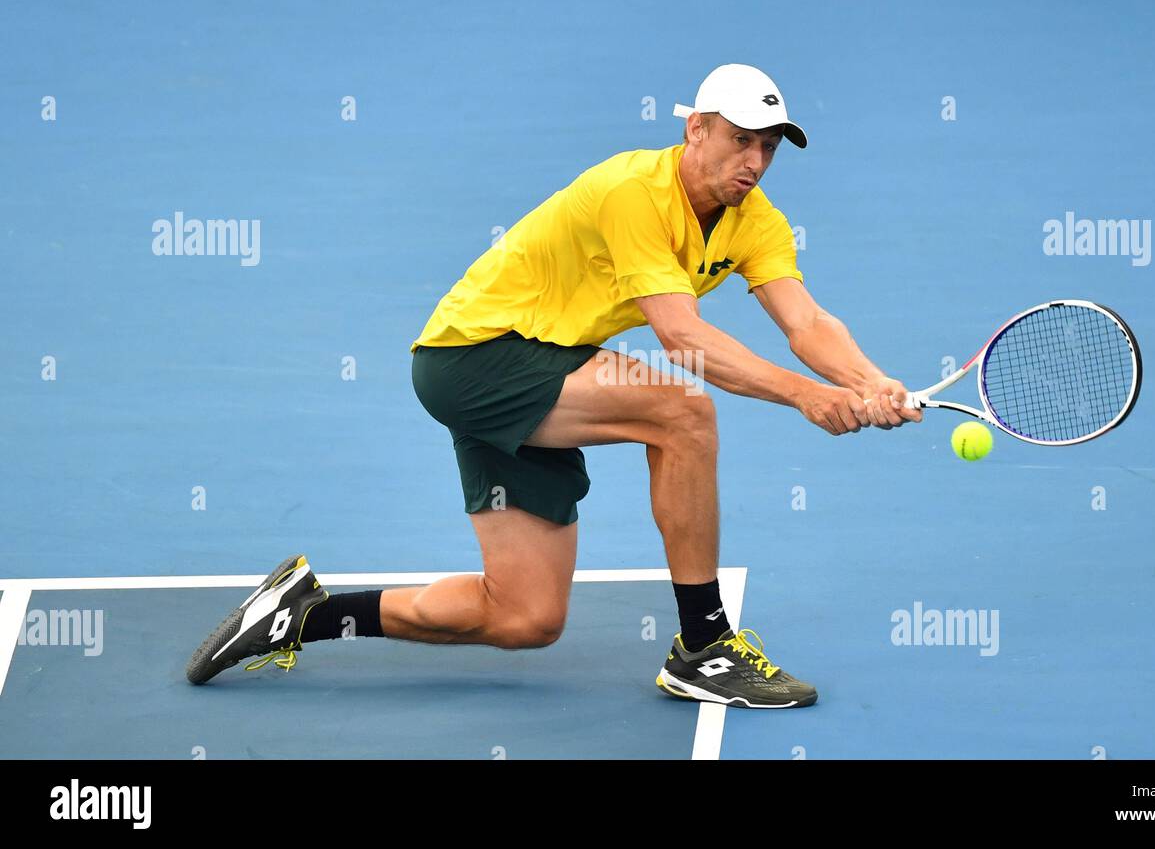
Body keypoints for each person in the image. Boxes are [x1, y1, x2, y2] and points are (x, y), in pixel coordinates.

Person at [186, 64, 922, 709]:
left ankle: (300, 616)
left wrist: (871, 382)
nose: (755, 160)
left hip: (537, 371)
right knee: (683, 413)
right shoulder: (635, 191)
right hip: (475, 357)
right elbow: (683, 339)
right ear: (696, 129)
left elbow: (807, 321)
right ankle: (705, 647)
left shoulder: (752, 219)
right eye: (741, 139)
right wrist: (806, 396)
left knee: (524, 617)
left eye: (767, 147)